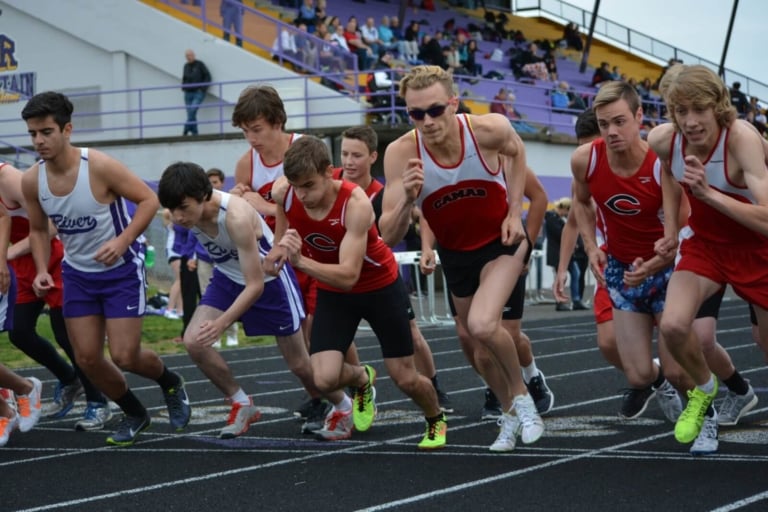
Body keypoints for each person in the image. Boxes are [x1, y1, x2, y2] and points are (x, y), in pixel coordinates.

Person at [379, 65, 544, 452]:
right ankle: (507, 414)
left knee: (485, 324)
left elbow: (517, 152)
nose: (428, 121)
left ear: (453, 103)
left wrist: (512, 214)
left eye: (435, 110)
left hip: (500, 244)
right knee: (477, 348)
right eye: (416, 114)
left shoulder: (488, 130)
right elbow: (387, 234)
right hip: (457, 254)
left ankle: (523, 399)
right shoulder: (401, 153)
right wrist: (407, 195)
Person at [20, 91, 192, 446]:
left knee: (125, 355)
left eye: (46, 132)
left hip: (120, 272)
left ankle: (170, 382)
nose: (39, 140)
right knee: (86, 358)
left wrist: (123, 240)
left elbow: (148, 200)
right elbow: (38, 229)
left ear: (67, 130)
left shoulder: (98, 166)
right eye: (33, 133)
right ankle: (135, 413)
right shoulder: (31, 180)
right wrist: (41, 268)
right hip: (77, 275)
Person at [264, 136, 447, 450]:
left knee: (404, 377)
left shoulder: (356, 203)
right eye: (297, 186)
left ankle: (435, 417)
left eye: (309, 185)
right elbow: (284, 239)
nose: (303, 194)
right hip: (333, 292)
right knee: (322, 379)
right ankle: (363, 379)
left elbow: (349, 275)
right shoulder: (287, 194)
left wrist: (300, 261)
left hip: (380, 287)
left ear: (328, 172)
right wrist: (275, 256)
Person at [649, 64, 768, 447]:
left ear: (717, 105)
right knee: (672, 325)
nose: (691, 121)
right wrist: (670, 231)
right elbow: (669, 175)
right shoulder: (664, 140)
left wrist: (710, 195)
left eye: (698, 109)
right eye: (681, 111)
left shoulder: (742, 140)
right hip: (706, 246)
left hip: (756, 248)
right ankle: (704, 390)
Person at [158, 161, 322, 438]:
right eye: (172, 209)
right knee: (193, 341)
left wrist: (222, 323)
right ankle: (241, 402)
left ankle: (331, 401)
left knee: (299, 364)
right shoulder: (189, 214)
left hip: (269, 282)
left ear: (204, 196)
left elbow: (255, 284)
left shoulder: (234, 217)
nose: (177, 217)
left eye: (183, 208)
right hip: (227, 278)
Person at [569, 81, 690, 424]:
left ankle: (706, 409)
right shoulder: (585, 160)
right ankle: (658, 384)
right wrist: (591, 246)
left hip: (668, 271)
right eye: (604, 124)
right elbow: (580, 202)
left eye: (620, 121)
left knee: (679, 370)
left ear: (639, 116)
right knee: (638, 375)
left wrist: (652, 264)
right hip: (623, 269)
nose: (611, 132)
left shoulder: (661, 163)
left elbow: (680, 233)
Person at [419, 164, 556, 420]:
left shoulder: (499, 157)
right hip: (459, 259)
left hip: (500, 254)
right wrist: (427, 246)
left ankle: (531, 376)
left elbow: (538, 197)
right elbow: (428, 212)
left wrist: (526, 249)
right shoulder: (435, 164)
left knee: (506, 334)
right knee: (469, 336)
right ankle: (495, 389)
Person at [335, 125, 452, 412]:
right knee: (337, 336)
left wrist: (426, 247)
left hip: (380, 276)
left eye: (357, 155)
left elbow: (419, 212)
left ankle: (435, 387)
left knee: (411, 334)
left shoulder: (380, 192)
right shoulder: (329, 183)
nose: (349, 162)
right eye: (344, 154)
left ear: (373, 156)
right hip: (341, 275)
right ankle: (350, 387)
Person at [229, 85, 326, 426]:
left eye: (257, 129)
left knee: (320, 329)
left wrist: (266, 204)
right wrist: (238, 203)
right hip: (277, 260)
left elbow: (320, 206)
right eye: (245, 131)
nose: (251, 138)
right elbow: (243, 214)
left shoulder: (305, 150)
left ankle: (354, 383)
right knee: (294, 339)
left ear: (278, 122)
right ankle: (320, 396)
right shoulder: (247, 164)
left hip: (312, 250)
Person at [0, 161, 112, 430]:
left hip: (53, 258)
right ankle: (68, 378)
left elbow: (50, 226)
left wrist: (7, 254)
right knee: (20, 332)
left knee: (67, 334)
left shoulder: (8, 178)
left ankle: (98, 400)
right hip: (22, 264)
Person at [197, 167, 239, 347]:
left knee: (231, 295)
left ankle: (231, 332)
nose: (213, 185)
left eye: (215, 182)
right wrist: (193, 255)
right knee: (208, 295)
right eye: (210, 182)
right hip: (205, 257)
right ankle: (212, 334)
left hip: (228, 258)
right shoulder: (198, 204)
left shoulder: (229, 204)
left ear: (222, 182)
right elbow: (194, 233)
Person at [545, 197, 585, 311]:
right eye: (568, 211)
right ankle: (560, 301)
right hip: (557, 253)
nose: (568, 214)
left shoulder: (558, 219)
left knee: (575, 273)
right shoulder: (552, 219)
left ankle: (575, 300)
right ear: (564, 208)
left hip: (565, 253)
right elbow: (560, 234)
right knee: (562, 276)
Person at [181, 49, 211, 136]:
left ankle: (185, 130)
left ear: (194, 55)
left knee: (192, 110)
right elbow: (184, 78)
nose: (189, 57)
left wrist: (202, 89)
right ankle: (195, 133)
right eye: (187, 56)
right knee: (191, 113)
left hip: (198, 92)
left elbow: (208, 76)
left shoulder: (200, 64)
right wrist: (183, 87)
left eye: (190, 55)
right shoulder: (186, 66)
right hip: (188, 93)